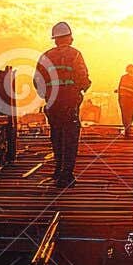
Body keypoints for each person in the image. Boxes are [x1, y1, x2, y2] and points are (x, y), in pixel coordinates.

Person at [35, 21, 90, 188]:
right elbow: (83, 78)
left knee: (57, 136)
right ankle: (66, 176)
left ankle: (58, 170)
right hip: (69, 101)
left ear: (55, 39)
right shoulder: (75, 55)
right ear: (69, 37)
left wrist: (47, 94)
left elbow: (37, 80)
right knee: (70, 138)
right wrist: (82, 87)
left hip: (52, 102)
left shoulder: (46, 56)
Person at [116, 64, 133, 135]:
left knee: (128, 114)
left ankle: (127, 127)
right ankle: (127, 127)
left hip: (131, 99)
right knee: (126, 114)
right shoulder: (124, 78)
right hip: (125, 99)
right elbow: (121, 87)